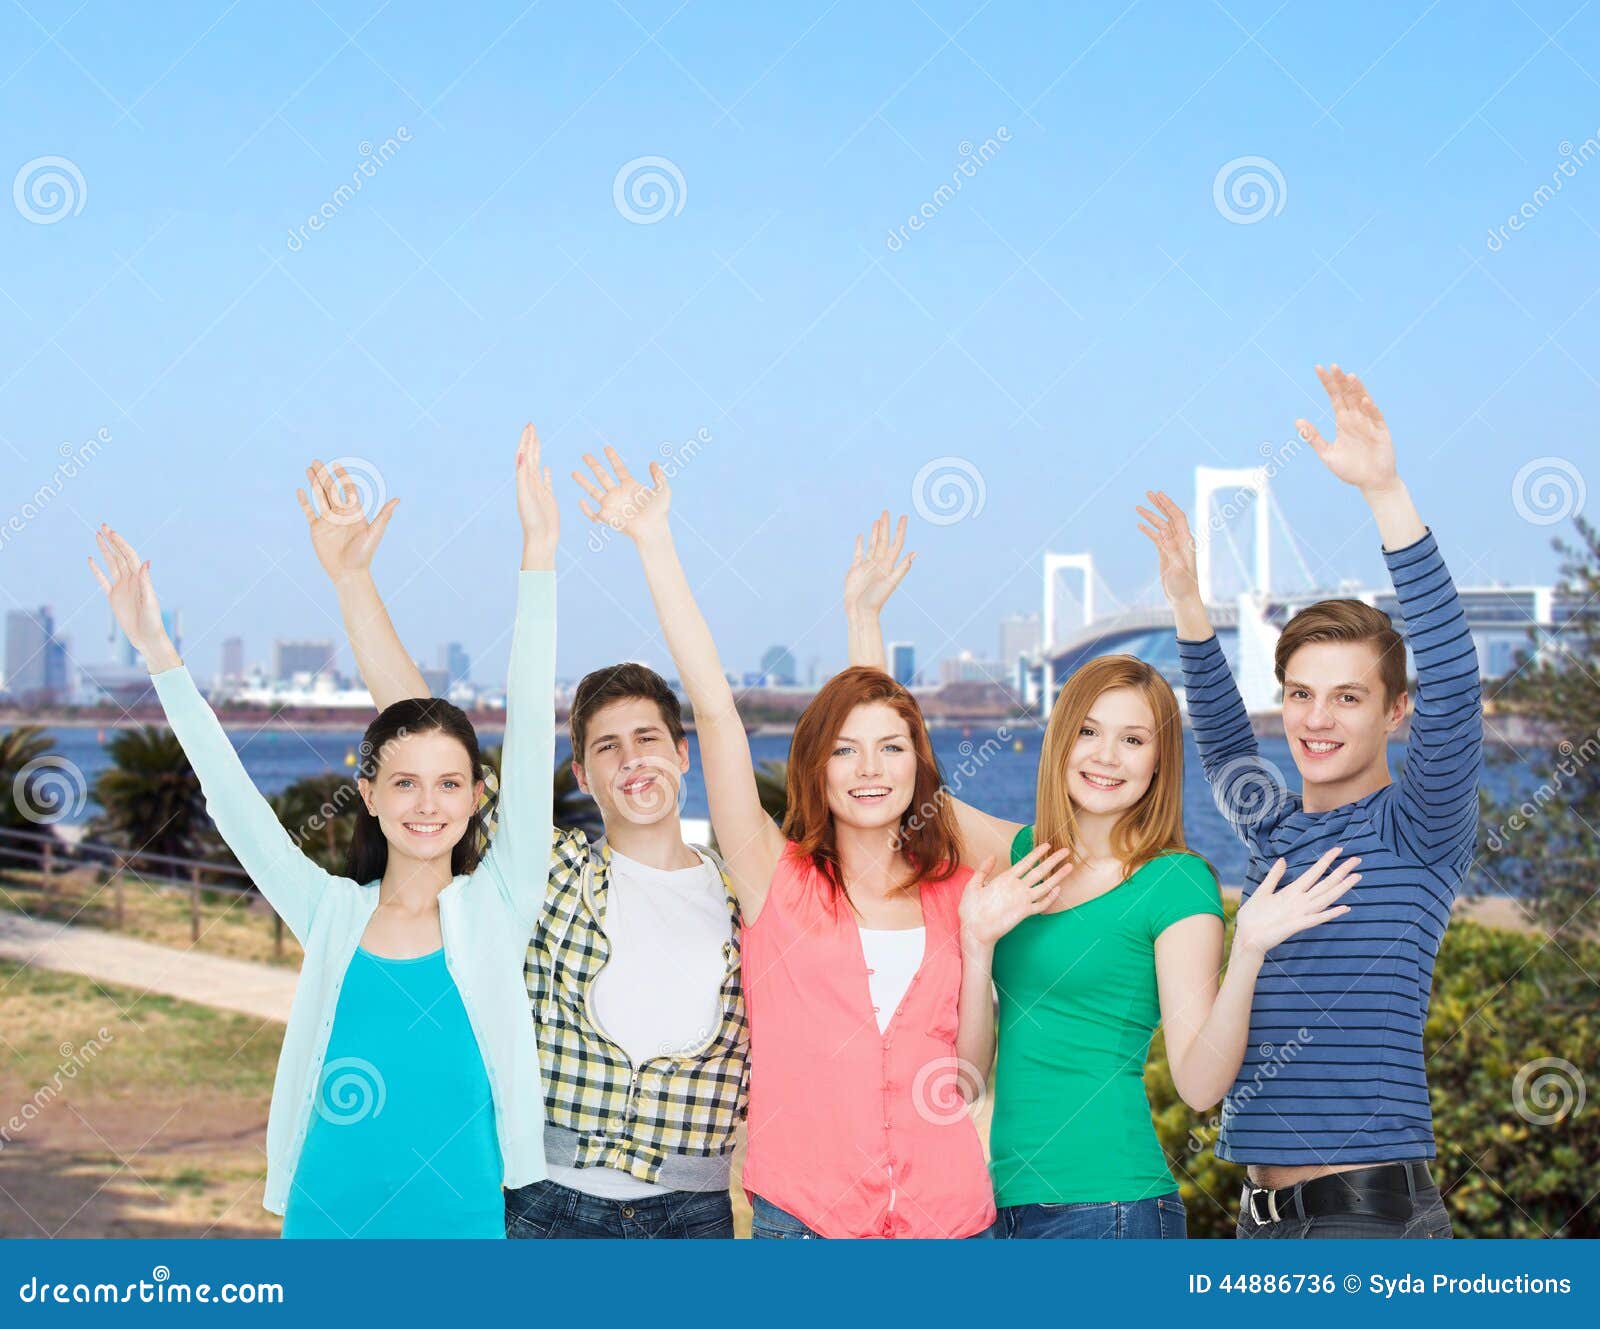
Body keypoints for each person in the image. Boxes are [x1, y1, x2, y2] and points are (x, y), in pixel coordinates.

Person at [576, 449, 1073, 1239]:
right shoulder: (775, 880)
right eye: (844, 751)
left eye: (892, 749)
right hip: (804, 1225)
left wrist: (980, 948)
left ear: (920, 765)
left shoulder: (958, 893)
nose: (870, 769)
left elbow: (968, 1081)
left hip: (951, 1227)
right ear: (817, 768)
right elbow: (714, 708)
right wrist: (654, 540)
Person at [87, 425, 558, 1237]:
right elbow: (234, 803)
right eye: (404, 781)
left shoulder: (501, 903)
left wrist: (538, 553)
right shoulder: (333, 913)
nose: (427, 803)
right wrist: (159, 651)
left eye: (449, 783)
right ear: (367, 795)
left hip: (464, 1226)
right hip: (324, 1221)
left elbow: (532, 722)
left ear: (478, 796)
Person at [845, 513, 1359, 1239]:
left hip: (1113, 1208)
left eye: (1133, 739)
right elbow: (904, 782)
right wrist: (865, 619)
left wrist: (1247, 949)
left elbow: (1199, 1084)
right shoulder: (1021, 856)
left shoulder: (1175, 882)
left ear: (1158, 761)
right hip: (999, 1202)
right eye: (1088, 731)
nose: (1106, 756)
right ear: (1061, 740)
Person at [298, 454, 747, 1240]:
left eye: (648, 738)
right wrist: (352, 581)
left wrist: (652, 540)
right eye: (606, 746)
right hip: (546, 1204)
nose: (632, 758)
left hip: (693, 1213)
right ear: (581, 773)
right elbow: (424, 730)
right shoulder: (547, 870)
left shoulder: (748, 894)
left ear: (683, 755)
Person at [1144, 363, 1483, 1239]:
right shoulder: (1274, 829)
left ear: (1395, 711)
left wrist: (1385, 493)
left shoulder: (1419, 825)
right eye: (1300, 694)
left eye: (1347, 696)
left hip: (1365, 1219)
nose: (1316, 718)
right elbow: (1223, 738)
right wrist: (1189, 605)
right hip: (1262, 1219)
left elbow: (1453, 677)